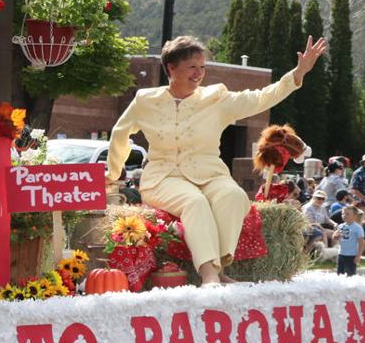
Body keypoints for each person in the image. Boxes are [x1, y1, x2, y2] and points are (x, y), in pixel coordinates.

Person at [106, 34, 328, 286]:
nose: (199, 73)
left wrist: (297, 74)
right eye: (192, 67)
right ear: (171, 67)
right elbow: (119, 133)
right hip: (163, 178)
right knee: (194, 202)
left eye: (202, 67)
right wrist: (113, 174)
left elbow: (260, 98)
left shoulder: (216, 98)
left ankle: (220, 269)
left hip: (211, 175)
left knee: (233, 196)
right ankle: (209, 275)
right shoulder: (146, 100)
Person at [335, 206, 365, 276]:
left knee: (350, 274)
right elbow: (335, 236)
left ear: (354, 216)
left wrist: (358, 256)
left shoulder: (357, 227)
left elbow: (361, 242)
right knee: (339, 274)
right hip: (341, 254)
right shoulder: (341, 226)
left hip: (351, 255)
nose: (344, 215)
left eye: (347, 214)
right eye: (343, 214)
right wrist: (335, 236)